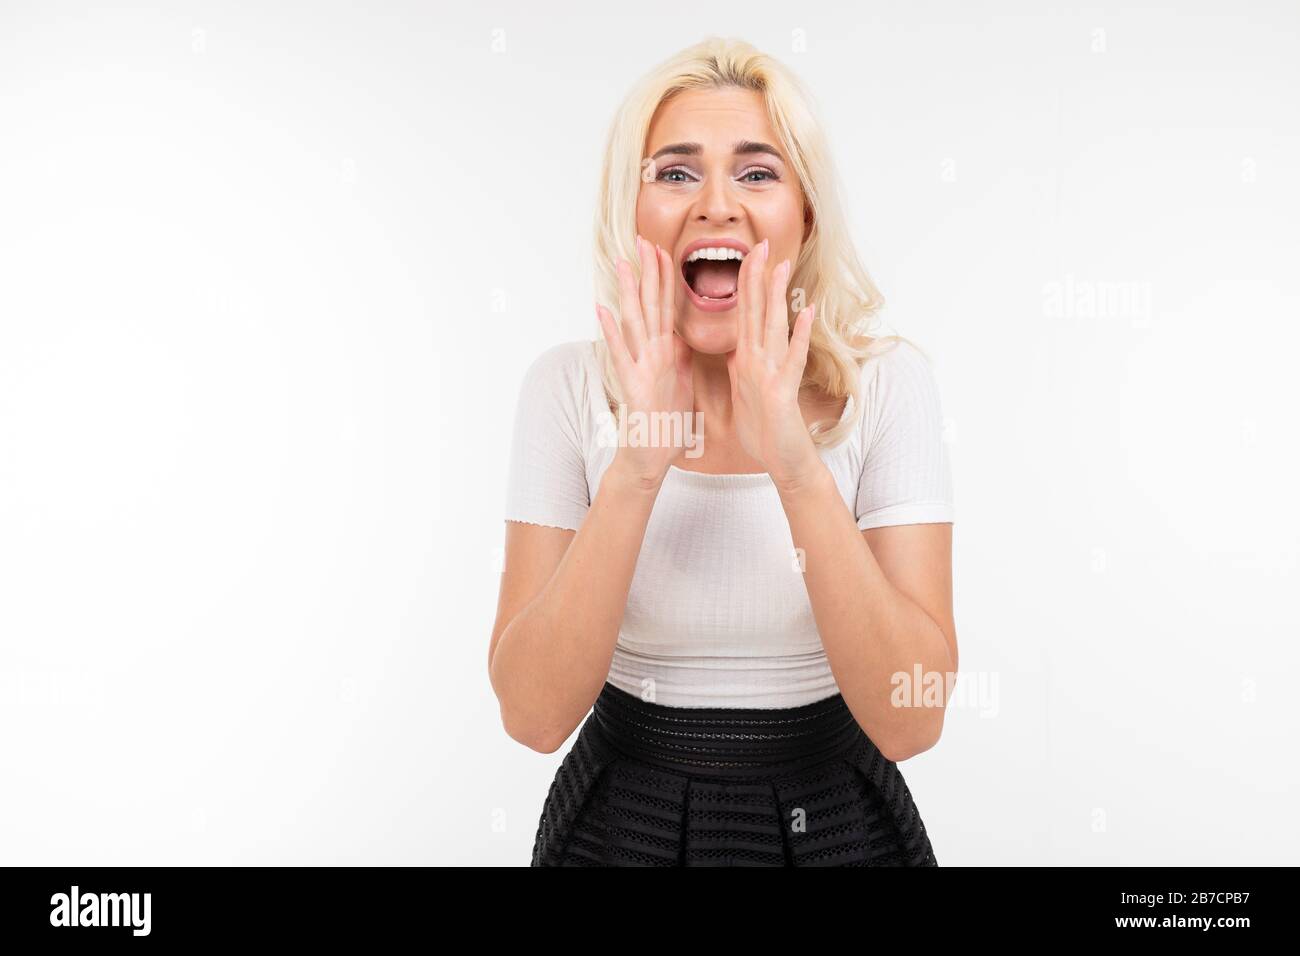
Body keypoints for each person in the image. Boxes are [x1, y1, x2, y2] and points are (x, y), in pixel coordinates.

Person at [489, 36, 957, 866]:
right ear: (629, 212)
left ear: (804, 212)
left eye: (756, 172)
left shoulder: (888, 387)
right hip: (619, 825)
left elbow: (911, 719)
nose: (715, 205)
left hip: (838, 822)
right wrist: (639, 462)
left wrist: (793, 462)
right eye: (674, 173)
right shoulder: (563, 388)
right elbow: (531, 716)